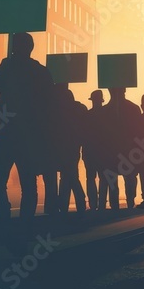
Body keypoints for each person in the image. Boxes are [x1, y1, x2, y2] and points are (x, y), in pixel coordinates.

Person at [0, 33, 55, 239]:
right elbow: (50, 107)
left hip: (7, 135)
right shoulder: (41, 72)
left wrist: (4, 70)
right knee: (28, 184)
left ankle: (4, 220)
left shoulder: (9, 68)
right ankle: (25, 225)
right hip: (29, 138)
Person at [100, 87, 142, 210]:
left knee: (113, 178)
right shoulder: (133, 108)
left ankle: (115, 204)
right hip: (129, 150)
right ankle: (130, 201)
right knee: (130, 178)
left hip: (112, 150)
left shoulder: (105, 111)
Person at [55, 86, 88, 214]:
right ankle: (78, 202)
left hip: (63, 146)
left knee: (67, 176)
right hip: (75, 146)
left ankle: (65, 204)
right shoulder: (79, 109)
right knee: (71, 174)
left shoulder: (60, 110)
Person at [83, 90, 107, 211]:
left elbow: (83, 134)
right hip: (103, 152)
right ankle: (102, 203)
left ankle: (93, 203)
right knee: (104, 178)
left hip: (90, 151)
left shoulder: (87, 115)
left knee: (90, 178)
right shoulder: (107, 115)